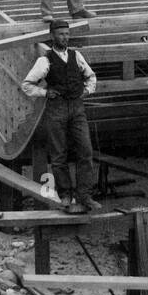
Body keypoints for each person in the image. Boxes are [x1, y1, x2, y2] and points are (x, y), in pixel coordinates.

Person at [20, 20, 100, 213]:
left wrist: (87, 91)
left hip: (77, 108)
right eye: (61, 34)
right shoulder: (45, 60)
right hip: (56, 109)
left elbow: (91, 76)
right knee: (58, 154)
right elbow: (27, 85)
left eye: (67, 33)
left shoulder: (76, 56)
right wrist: (45, 93)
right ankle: (65, 195)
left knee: (86, 151)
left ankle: (85, 196)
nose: (65, 37)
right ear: (52, 36)